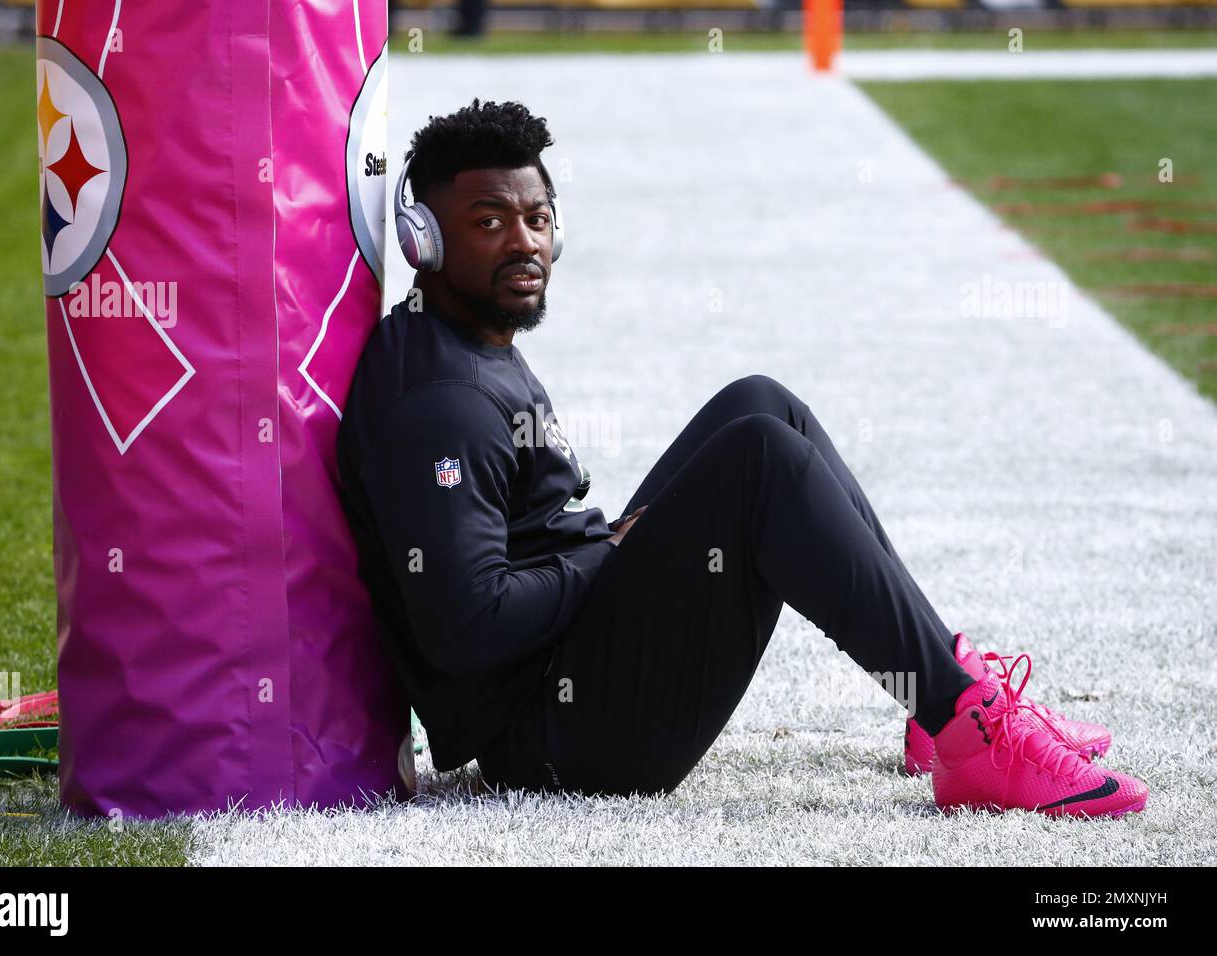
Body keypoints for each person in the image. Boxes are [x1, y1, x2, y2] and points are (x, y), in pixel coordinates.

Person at [335, 98, 1148, 818]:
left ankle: (934, 686)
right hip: (564, 737)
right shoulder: (441, 407)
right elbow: (464, 627)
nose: (524, 243)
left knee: (761, 402)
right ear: (424, 241)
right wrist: (604, 557)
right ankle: (971, 730)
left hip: (573, 658)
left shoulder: (459, 340)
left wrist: (602, 553)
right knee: (759, 458)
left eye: (537, 218)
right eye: (488, 222)